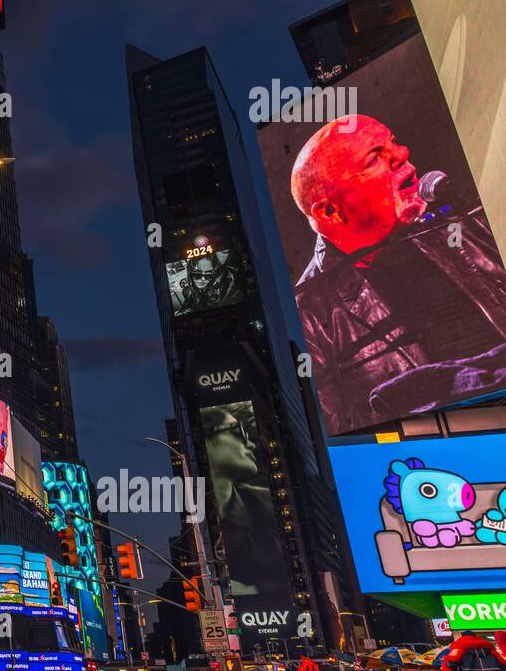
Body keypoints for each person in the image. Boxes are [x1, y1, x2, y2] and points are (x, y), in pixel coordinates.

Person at [289, 115, 506, 431]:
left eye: (394, 141)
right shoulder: (307, 314)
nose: (403, 154)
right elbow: (337, 430)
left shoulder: (461, 228)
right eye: (375, 158)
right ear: (330, 211)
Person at [201, 401, 285, 596]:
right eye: (238, 432)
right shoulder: (200, 517)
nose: (250, 443)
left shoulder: (267, 504)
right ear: (209, 441)